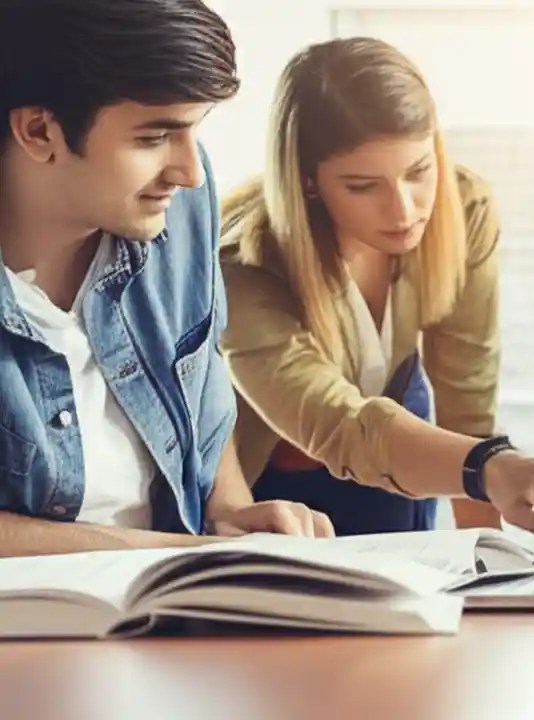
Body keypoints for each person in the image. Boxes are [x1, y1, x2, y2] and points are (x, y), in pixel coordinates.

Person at [219, 38, 534, 542]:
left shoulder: (464, 208)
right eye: (363, 186)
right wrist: (487, 466)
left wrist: (495, 563)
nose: (403, 210)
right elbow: (336, 423)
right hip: (276, 480)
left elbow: (468, 404)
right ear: (308, 181)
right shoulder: (245, 261)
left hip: (402, 454)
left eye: (419, 172)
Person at [0, 0, 332, 558]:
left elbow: (201, 398)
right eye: (154, 137)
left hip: (169, 591)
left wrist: (231, 514)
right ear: (39, 131)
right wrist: (174, 553)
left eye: (194, 130)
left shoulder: (178, 208)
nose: (190, 172)